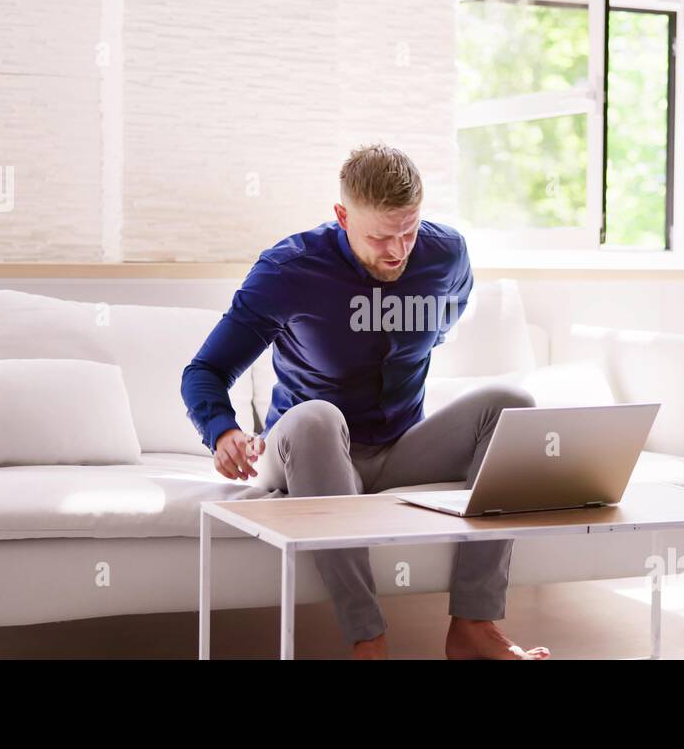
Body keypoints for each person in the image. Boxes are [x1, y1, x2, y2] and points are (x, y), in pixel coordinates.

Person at [182, 144, 550, 660]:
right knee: (316, 417)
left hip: (399, 447)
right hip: (307, 451)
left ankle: (473, 626)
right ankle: (368, 640)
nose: (398, 250)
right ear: (342, 216)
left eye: (409, 230)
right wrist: (223, 432)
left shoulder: (445, 254)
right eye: (380, 236)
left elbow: (444, 321)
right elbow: (205, 371)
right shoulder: (289, 270)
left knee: (513, 403)